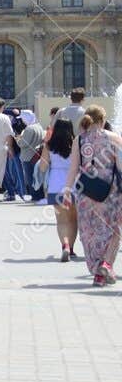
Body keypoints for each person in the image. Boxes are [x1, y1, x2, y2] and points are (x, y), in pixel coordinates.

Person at [59, 106, 122, 286]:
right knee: (115, 230)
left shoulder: (79, 139)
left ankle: (98, 272)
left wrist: (67, 191)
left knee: (89, 233)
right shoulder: (115, 138)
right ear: (103, 120)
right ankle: (106, 265)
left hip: (85, 192)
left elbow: (73, 169)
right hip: (112, 193)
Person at [45, 117, 78, 263]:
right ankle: (71, 248)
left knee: (61, 220)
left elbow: (42, 167)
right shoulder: (76, 143)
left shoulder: (48, 145)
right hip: (74, 185)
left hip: (55, 184)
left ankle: (64, 245)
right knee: (73, 219)